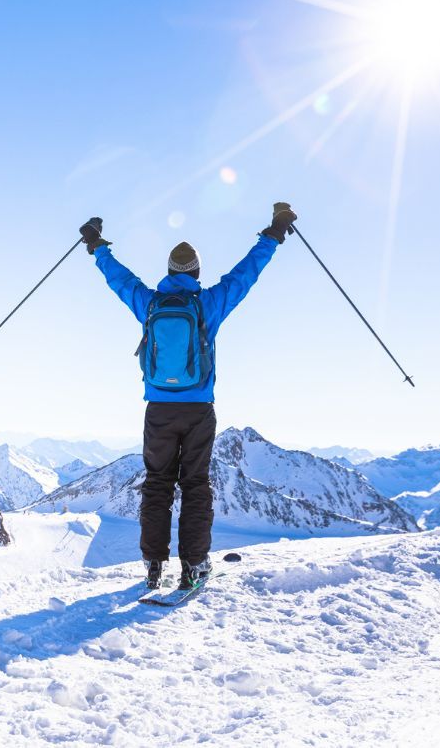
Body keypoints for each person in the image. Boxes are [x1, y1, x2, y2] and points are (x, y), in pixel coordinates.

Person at [79, 204, 297, 590]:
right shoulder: (208, 304)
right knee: (195, 485)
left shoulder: (150, 304)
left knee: (157, 484)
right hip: (198, 409)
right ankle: (194, 564)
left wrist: (97, 246)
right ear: (196, 272)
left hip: (158, 408)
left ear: (168, 272)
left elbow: (119, 279)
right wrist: (274, 234)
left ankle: (153, 564)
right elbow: (246, 274)